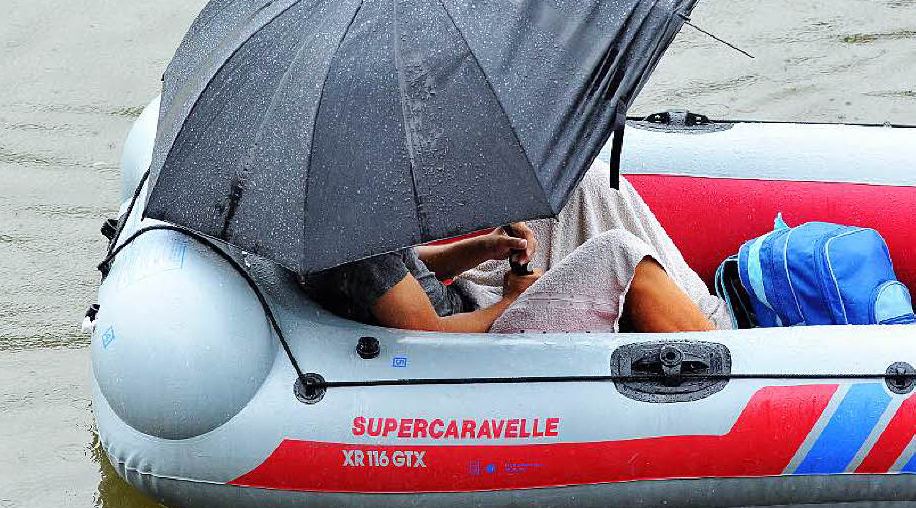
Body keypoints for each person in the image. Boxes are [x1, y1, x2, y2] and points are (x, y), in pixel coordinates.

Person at [304, 161, 731, 333]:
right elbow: (425, 332)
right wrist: (510, 302)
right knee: (619, 253)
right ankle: (723, 351)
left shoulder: (341, 209)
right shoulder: (350, 242)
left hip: (472, 298)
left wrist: (485, 247)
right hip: (478, 334)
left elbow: (407, 270)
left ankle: (696, 308)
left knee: (579, 185)